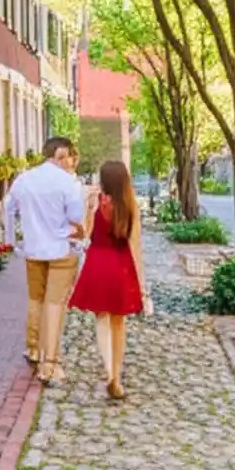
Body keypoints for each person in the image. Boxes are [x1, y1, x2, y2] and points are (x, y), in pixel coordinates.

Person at [4, 137, 87, 385]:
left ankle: (33, 347)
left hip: (33, 249)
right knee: (55, 304)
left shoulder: (25, 179)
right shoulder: (67, 182)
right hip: (61, 248)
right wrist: (77, 232)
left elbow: (8, 207)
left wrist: (12, 241)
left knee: (36, 299)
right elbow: (76, 218)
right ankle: (49, 363)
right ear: (62, 155)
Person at [69, 160, 152, 400]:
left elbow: (85, 232)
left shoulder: (98, 203)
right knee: (119, 323)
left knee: (102, 319)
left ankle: (108, 372)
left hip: (97, 264)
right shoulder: (130, 205)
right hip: (120, 265)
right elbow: (135, 245)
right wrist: (141, 282)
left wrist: (88, 207)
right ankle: (117, 373)